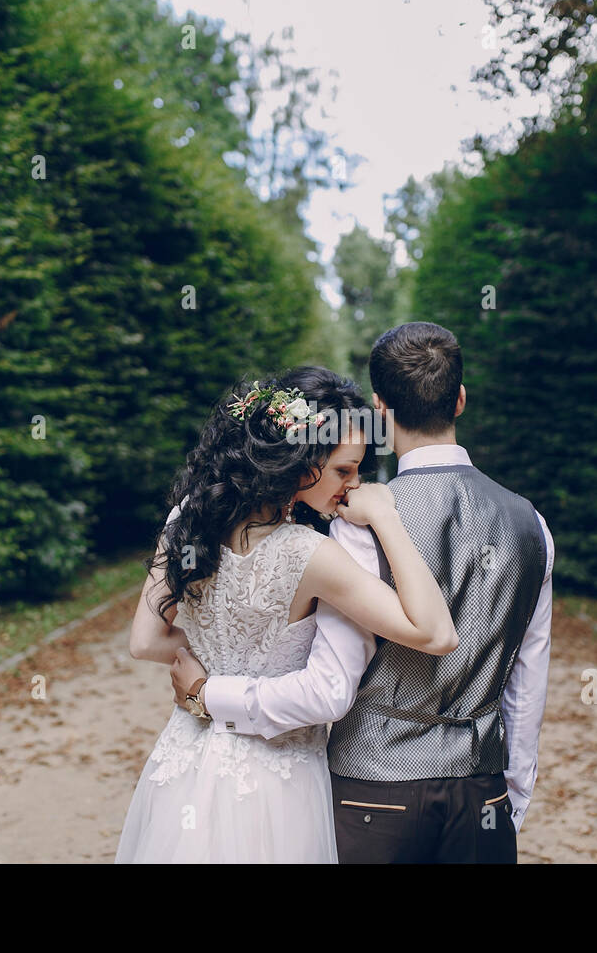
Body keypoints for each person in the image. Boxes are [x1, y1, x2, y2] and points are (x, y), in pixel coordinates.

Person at [171, 322, 554, 863]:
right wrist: (510, 797)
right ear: (461, 400)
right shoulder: (531, 525)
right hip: (481, 788)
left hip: (373, 791)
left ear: (379, 407)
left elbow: (332, 684)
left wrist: (211, 694)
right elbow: (526, 680)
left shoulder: (355, 521)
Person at [115, 365, 457, 863]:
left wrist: (212, 672)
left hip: (188, 757)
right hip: (276, 776)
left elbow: (145, 641)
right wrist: (385, 516)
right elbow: (436, 631)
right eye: (344, 470)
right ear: (302, 464)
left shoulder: (191, 513)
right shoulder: (309, 554)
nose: (352, 485)